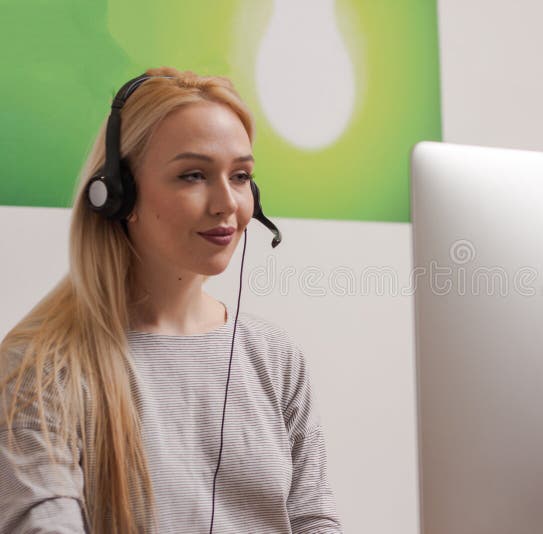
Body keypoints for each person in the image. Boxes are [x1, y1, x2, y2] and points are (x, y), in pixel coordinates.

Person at [0, 67, 342, 533]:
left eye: (241, 176)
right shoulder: (41, 369)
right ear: (119, 195)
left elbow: (313, 519)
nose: (227, 203)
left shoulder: (275, 358)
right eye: (193, 175)